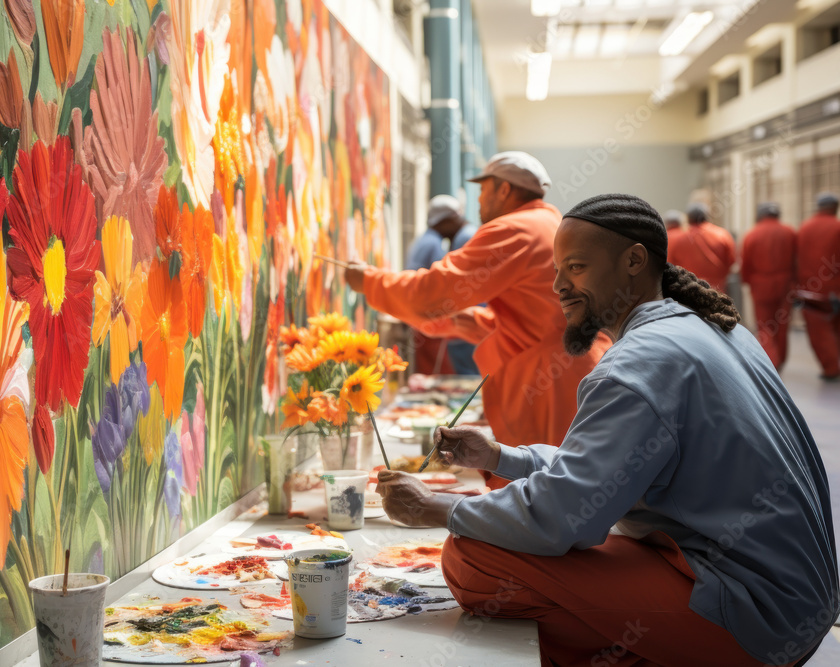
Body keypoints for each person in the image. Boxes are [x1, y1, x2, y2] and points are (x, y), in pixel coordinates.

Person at [375, 193, 838, 667]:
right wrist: (499, 457)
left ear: (634, 260)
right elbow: (604, 473)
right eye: (556, 270)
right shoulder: (714, 328)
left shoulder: (637, 363)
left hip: (756, 616)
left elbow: (564, 518)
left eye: (575, 267)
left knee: (471, 556)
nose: (558, 285)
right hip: (802, 603)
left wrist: (432, 506)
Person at [344, 152, 610, 461]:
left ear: (504, 190)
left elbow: (434, 293)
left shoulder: (515, 229)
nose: (479, 202)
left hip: (553, 378)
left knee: (544, 484)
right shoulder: (547, 221)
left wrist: (369, 281)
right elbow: (536, 317)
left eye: (482, 191)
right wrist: (468, 322)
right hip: (572, 364)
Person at [404, 195, 478, 374]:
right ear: (446, 220)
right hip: (432, 316)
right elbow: (444, 283)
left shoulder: (423, 240)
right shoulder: (434, 244)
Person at [741, 202, 796, 370]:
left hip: (760, 285)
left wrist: (749, 282)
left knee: (765, 324)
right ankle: (781, 358)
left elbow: (746, 264)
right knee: (782, 323)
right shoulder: (790, 233)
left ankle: (771, 360)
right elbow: (797, 261)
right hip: (785, 284)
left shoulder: (752, 235)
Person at [796, 193, 840, 380]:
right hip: (835, 289)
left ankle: (830, 368)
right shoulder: (837, 227)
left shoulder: (804, 228)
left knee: (819, 331)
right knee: (835, 329)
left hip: (809, 289)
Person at [667, 203, 736, 293]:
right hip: (718, 289)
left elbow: (672, 265)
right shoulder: (722, 235)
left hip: (689, 290)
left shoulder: (679, 240)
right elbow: (731, 262)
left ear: (688, 219)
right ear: (707, 216)